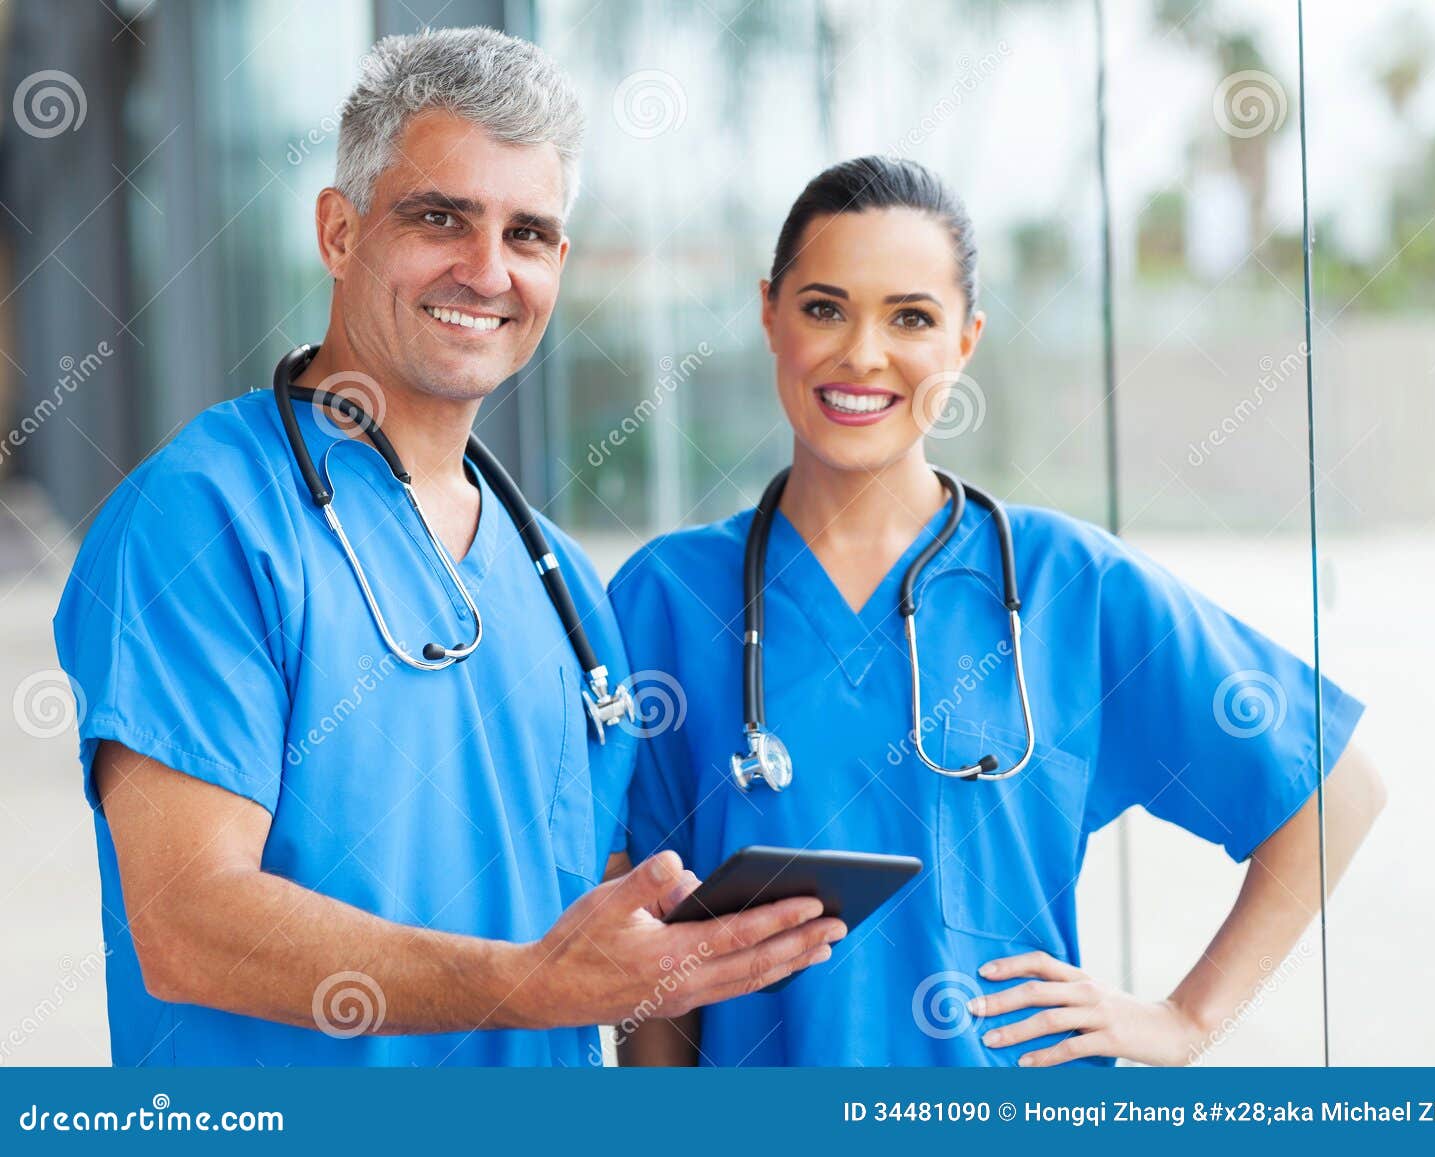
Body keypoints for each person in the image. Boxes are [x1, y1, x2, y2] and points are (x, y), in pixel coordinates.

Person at [51, 27, 842, 1068]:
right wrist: (529, 984)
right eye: (439, 218)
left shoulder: (560, 582)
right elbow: (188, 921)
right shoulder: (205, 517)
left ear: (556, 263)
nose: (486, 270)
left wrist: (697, 951)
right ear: (339, 232)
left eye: (527, 234)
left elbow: (584, 927)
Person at [609, 156, 1387, 1067]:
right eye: (824, 307)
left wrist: (1185, 1019)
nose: (862, 353)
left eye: (911, 317)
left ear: (965, 341)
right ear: (768, 313)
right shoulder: (670, 597)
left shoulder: (1070, 584)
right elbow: (653, 961)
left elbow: (1336, 791)